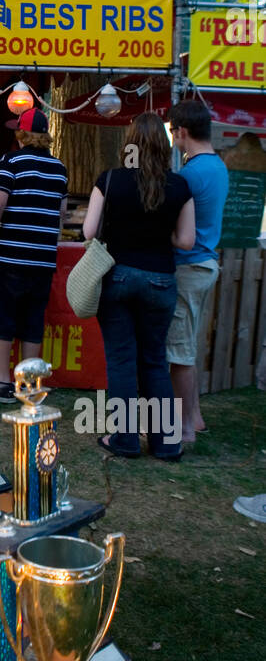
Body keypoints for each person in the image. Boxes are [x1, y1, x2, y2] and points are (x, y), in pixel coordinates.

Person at [83, 112, 196, 460]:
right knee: (154, 361)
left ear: (128, 143)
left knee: (121, 360)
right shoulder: (178, 186)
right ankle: (166, 443)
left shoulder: (111, 180)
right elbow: (187, 240)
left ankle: (125, 439)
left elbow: (88, 232)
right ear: (164, 146)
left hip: (117, 277)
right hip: (161, 280)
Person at [0, 107, 67, 397]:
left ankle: (2, 381)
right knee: (32, 322)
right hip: (42, 260)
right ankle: (28, 384)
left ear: (22, 134)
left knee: (2, 318)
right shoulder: (59, 168)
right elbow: (61, 211)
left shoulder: (11, 161)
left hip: (10, 257)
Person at [166, 100, 229, 446]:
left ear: (183, 131)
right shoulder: (217, 165)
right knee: (187, 345)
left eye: (173, 132)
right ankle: (195, 417)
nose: (172, 138)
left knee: (178, 352)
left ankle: (184, 427)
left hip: (188, 267)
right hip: (206, 264)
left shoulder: (189, 175)